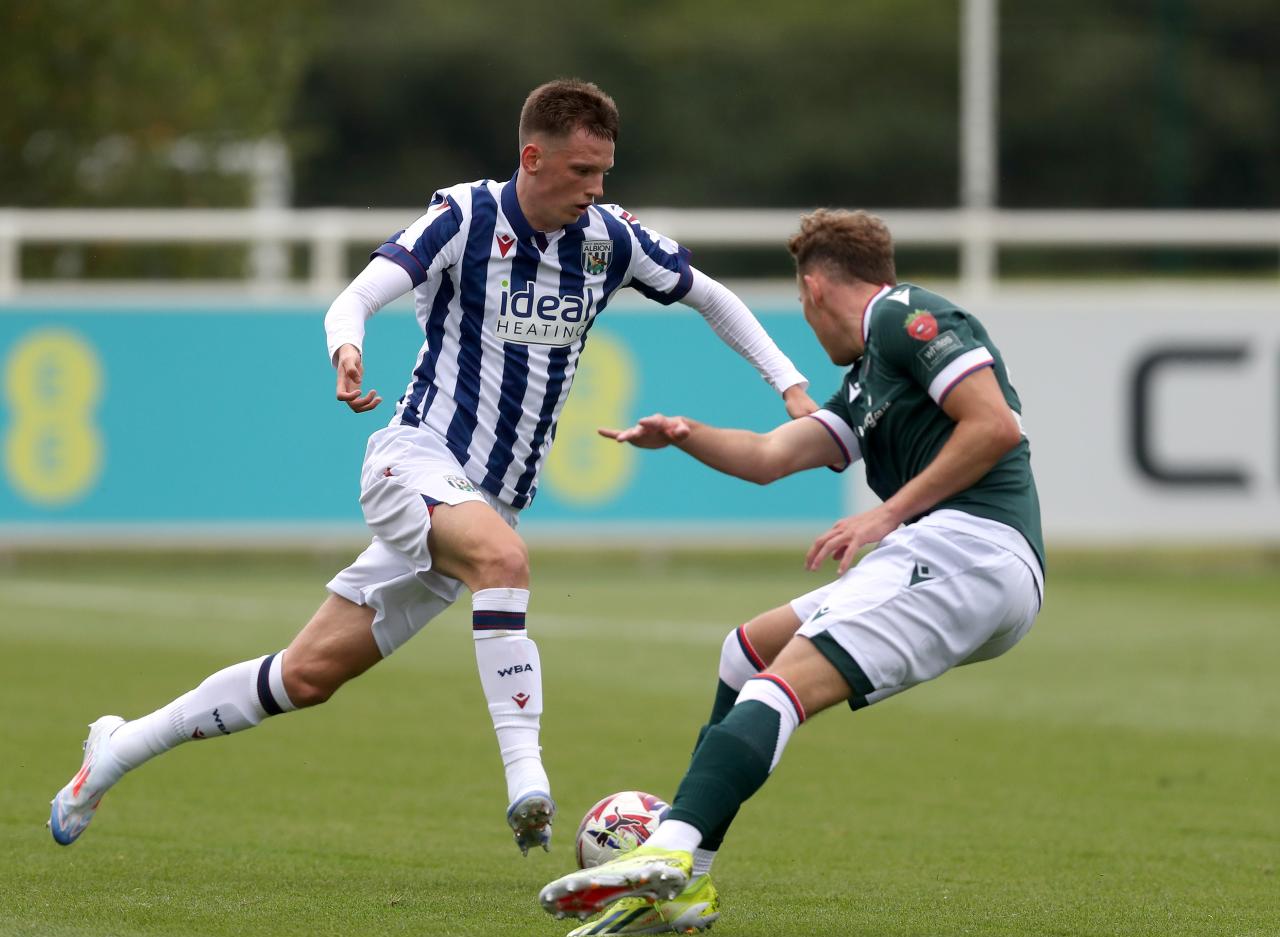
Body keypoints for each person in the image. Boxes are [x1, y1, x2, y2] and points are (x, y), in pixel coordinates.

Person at [47, 79, 816, 855]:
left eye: (604, 172)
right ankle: (528, 781)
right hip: (413, 462)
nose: (597, 188)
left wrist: (787, 383)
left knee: (306, 676)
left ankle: (115, 750)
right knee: (504, 560)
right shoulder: (466, 217)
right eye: (583, 171)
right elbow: (355, 296)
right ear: (533, 156)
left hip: (488, 500)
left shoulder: (607, 239)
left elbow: (713, 298)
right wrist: (346, 347)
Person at [538, 208, 1044, 935]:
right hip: (949, 555)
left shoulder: (905, 313)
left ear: (812, 288)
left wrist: (887, 513)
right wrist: (684, 435)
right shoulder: (868, 377)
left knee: (784, 685)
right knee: (747, 651)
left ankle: (670, 851)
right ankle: (685, 885)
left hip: (972, 548)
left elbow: (996, 426)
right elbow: (772, 458)